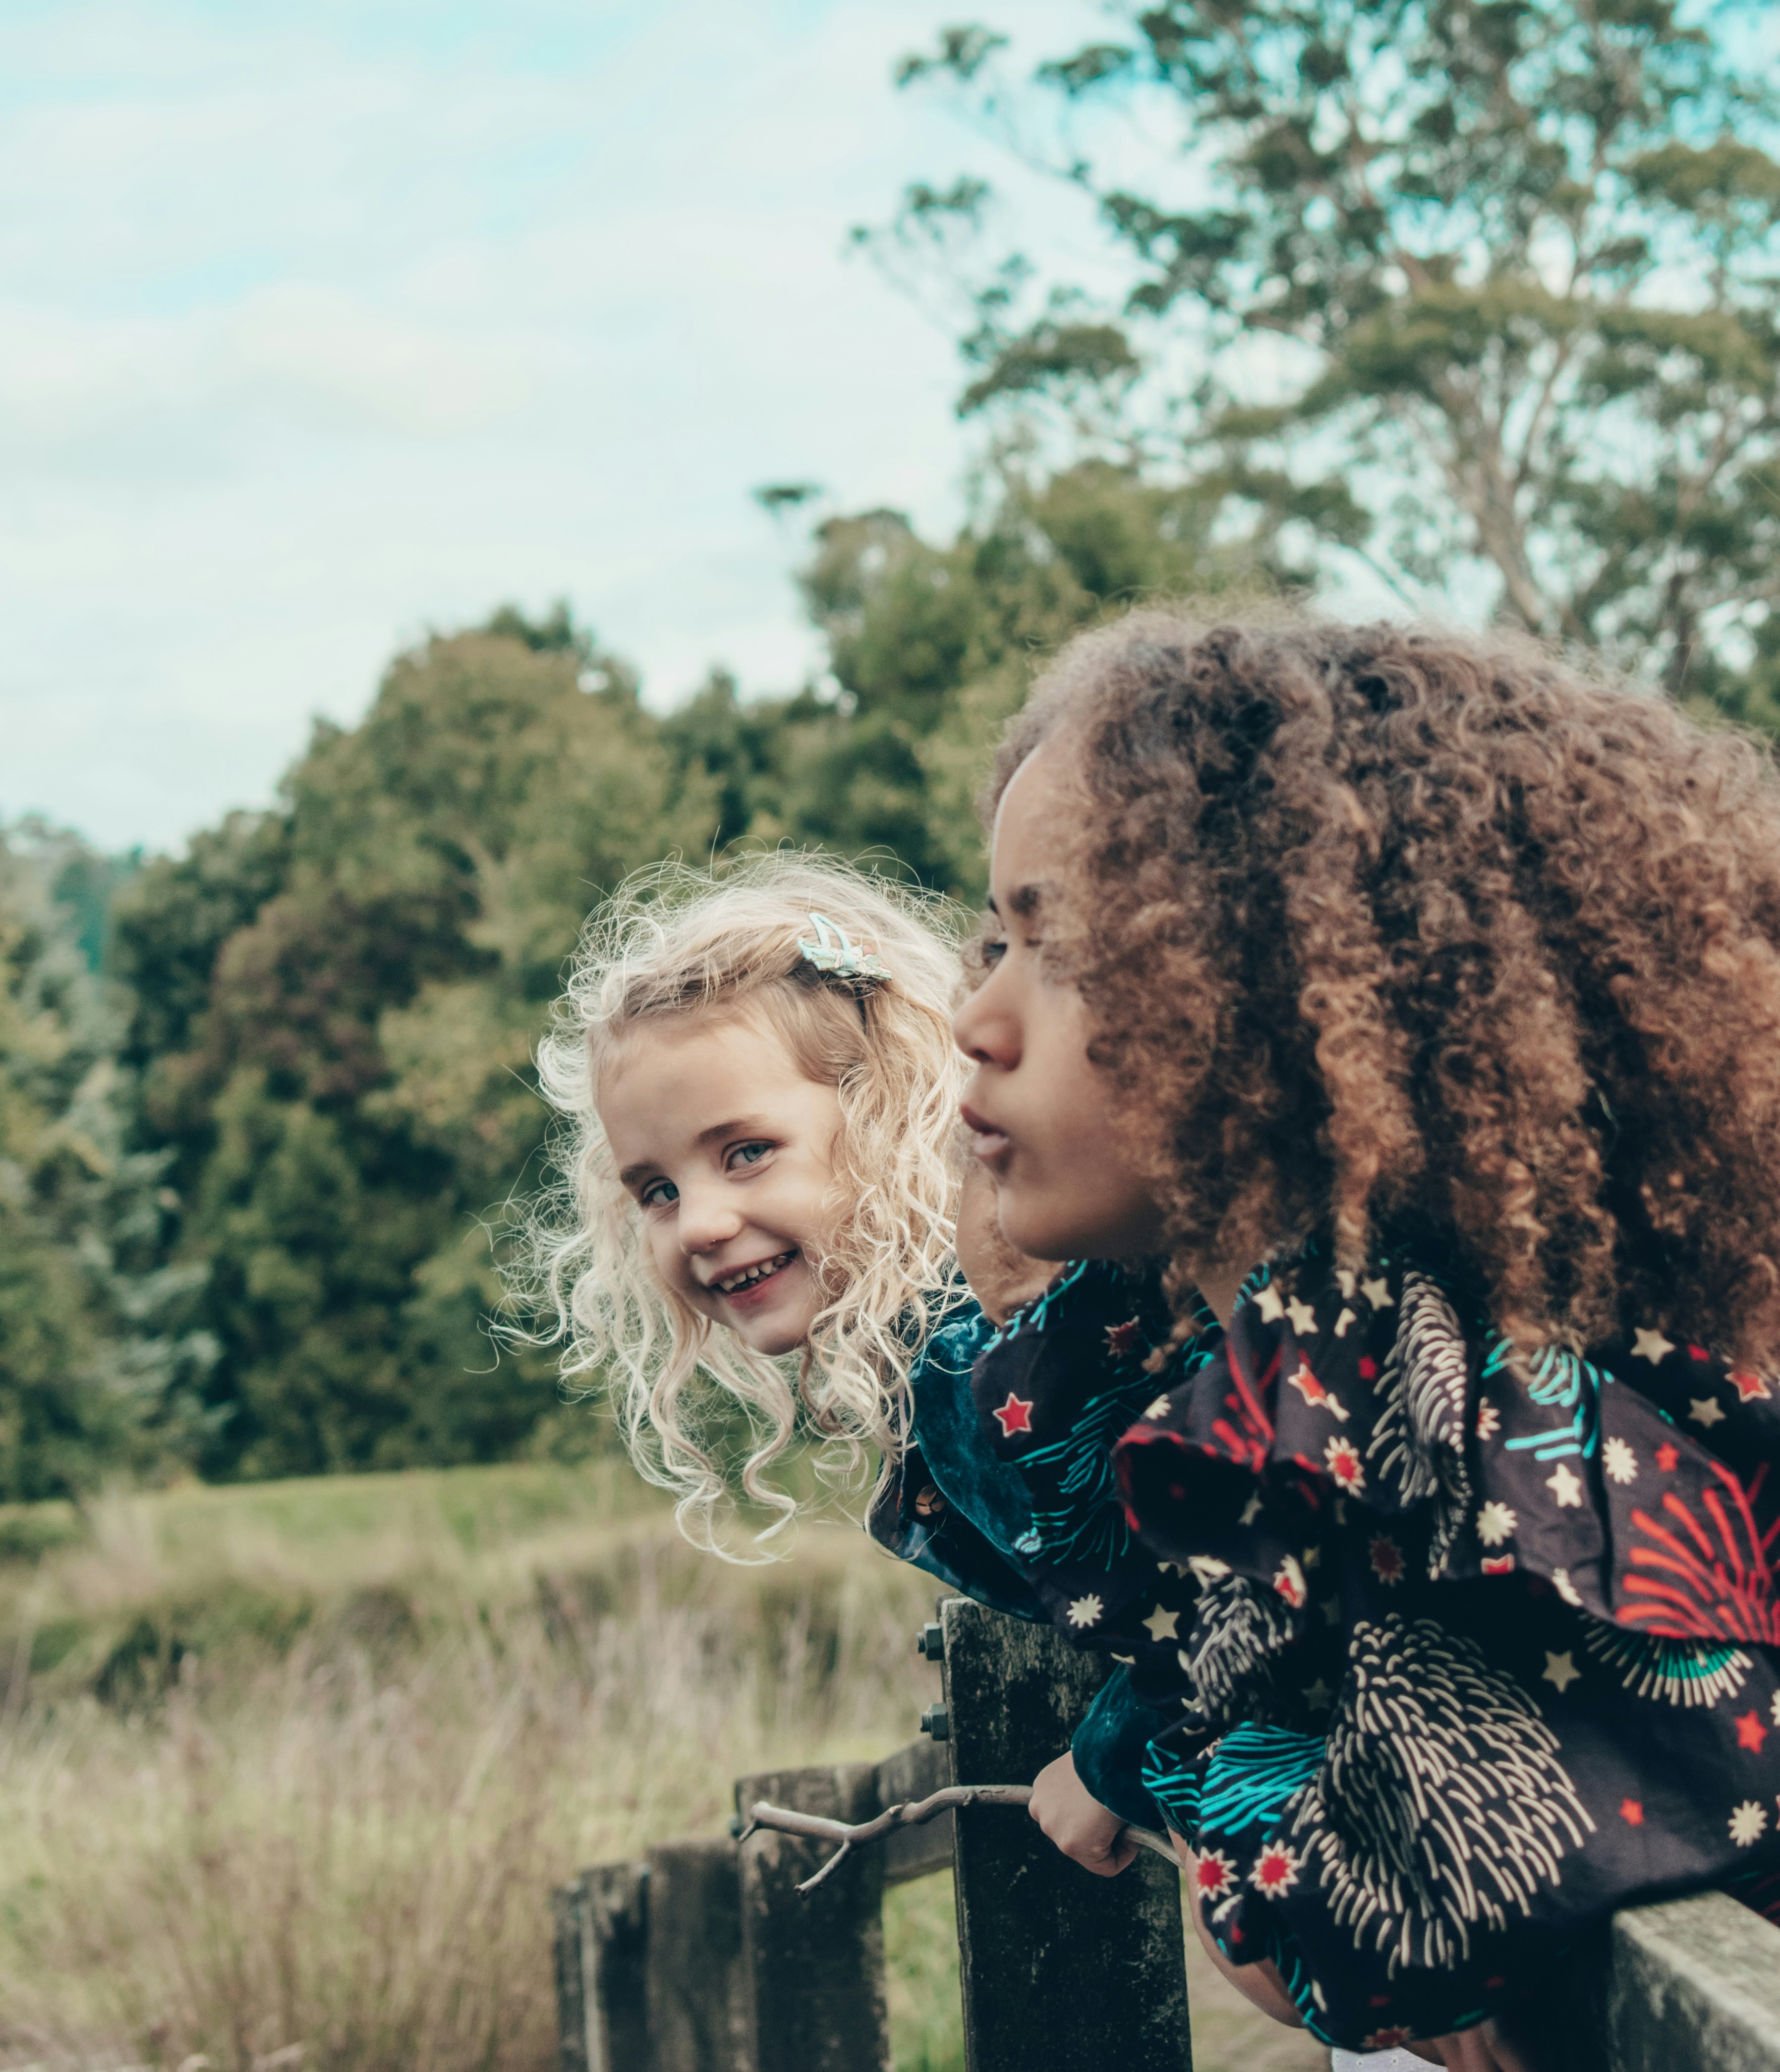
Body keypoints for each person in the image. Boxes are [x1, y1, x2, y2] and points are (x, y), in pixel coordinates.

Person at [953, 608, 1780, 2072]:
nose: (978, 1020)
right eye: (993, 944)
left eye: (1055, 943)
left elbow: (1373, 1932)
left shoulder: (1517, 1421)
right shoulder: (1285, 1375)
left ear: (1290, 995)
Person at [530, 850, 1048, 1585]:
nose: (699, 1226)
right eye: (658, 1192)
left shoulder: (973, 1360)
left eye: (747, 1152)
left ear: (888, 1115)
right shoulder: (936, 1354)